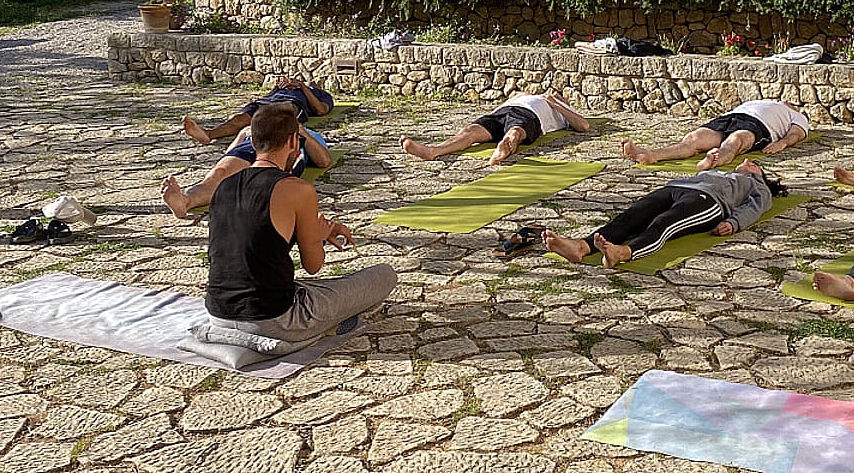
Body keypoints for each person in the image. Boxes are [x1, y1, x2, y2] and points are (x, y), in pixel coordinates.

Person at [202, 102, 396, 344]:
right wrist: (317, 234)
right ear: (294, 142)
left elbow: (258, 240)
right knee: (384, 275)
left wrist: (315, 230)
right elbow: (314, 264)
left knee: (311, 287)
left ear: (252, 142)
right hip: (275, 320)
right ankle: (322, 329)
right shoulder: (296, 189)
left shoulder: (224, 186)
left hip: (218, 313)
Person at [543, 159, 784, 268]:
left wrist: (734, 222)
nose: (749, 161)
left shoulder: (758, 185)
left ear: (760, 174)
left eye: (754, 164)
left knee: (664, 224)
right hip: (676, 189)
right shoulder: (721, 172)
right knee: (629, 218)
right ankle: (581, 247)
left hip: (709, 202)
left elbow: (755, 208)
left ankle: (624, 253)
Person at [161, 117, 332, 219]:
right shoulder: (255, 127)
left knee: (257, 184)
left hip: (281, 150)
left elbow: (324, 160)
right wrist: (227, 158)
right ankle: (185, 201)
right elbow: (237, 142)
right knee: (220, 174)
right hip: (252, 145)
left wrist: (301, 132)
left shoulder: (308, 135)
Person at [400, 92, 591, 165]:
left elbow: (583, 125)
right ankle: (432, 151)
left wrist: (556, 103)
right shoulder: (525, 94)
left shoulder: (561, 108)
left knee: (515, 132)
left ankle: (502, 150)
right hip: (502, 112)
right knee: (469, 131)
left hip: (530, 116)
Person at [621, 99, 809, 171]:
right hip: (731, 117)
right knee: (694, 138)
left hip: (760, 126)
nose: (787, 100)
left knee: (735, 141)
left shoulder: (796, 115)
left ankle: (713, 161)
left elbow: (797, 133)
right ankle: (651, 155)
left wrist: (782, 143)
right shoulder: (765, 101)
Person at [183, 77, 335, 145]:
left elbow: (321, 110)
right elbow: (266, 97)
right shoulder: (285, 88)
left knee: (271, 121)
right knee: (239, 120)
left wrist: (304, 87)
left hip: (289, 104)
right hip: (265, 102)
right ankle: (208, 135)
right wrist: (277, 88)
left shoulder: (319, 93)